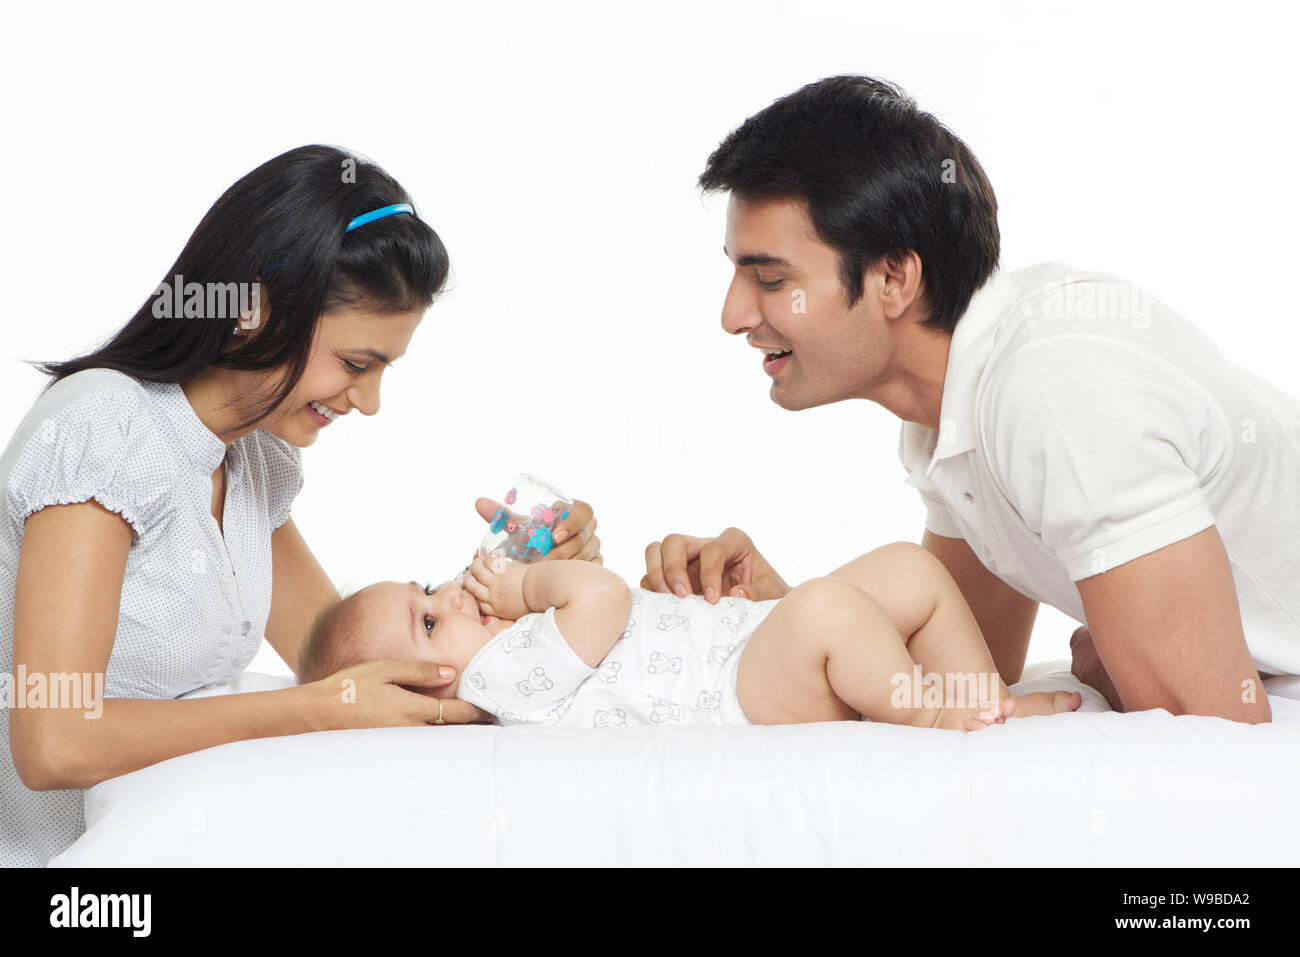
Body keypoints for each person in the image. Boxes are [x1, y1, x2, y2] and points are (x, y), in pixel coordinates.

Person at [0, 145, 601, 867]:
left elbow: (329, 646)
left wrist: (513, 599)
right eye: (356, 364)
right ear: (255, 311)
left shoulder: (251, 454)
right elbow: (53, 740)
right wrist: (318, 711)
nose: (369, 401)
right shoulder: (107, 430)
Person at [642, 75, 1300, 724]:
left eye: (769, 277)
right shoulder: (955, 409)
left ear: (895, 276)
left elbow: (1213, 732)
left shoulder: (1051, 388)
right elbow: (960, 673)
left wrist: (1122, 674)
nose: (732, 315)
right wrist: (776, 614)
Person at [296, 545, 1081, 730]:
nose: (452, 597)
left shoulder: (511, 647)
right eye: (430, 619)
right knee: (825, 615)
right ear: (430, 683)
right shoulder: (494, 679)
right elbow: (600, 599)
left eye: (429, 589)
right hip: (736, 692)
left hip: (748, 642)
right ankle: (937, 712)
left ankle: (989, 700)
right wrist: (529, 584)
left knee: (911, 571)